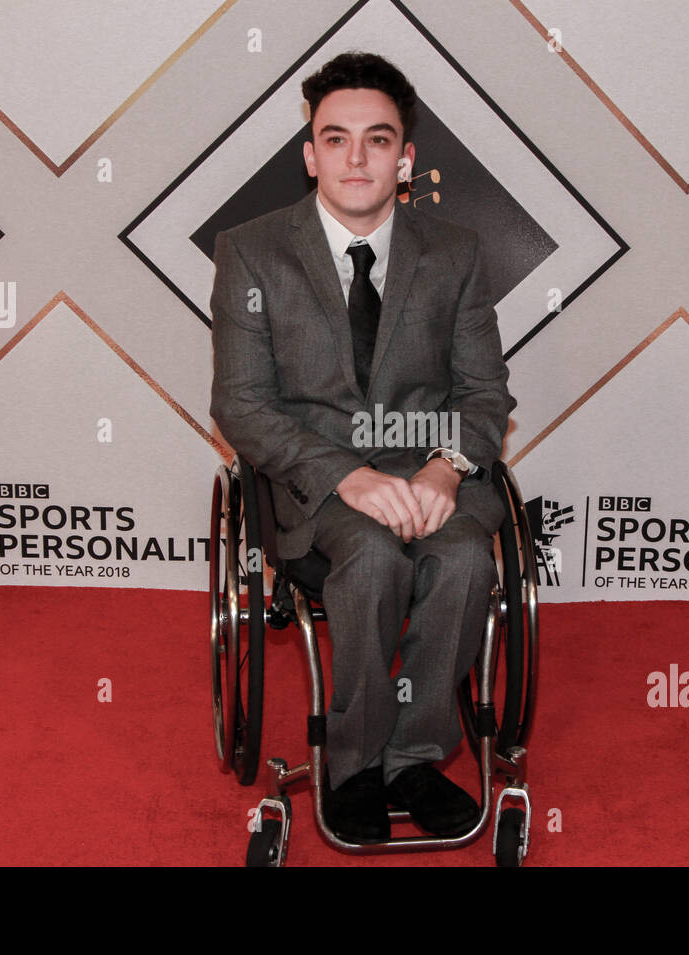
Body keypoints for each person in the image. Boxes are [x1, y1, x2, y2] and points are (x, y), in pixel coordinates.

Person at [209, 51, 515, 843]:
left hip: (430, 476)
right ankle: (352, 765)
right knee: (374, 558)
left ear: (404, 159)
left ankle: (414, 757)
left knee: (466, 561)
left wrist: (447, 469)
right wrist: (347, 476)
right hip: (317, 488)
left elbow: (485, 396)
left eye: (377, 140)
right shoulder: (251, 252)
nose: (355, 158)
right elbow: (240, 404)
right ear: (309, 153)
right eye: (335, 138)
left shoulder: (454, 253)